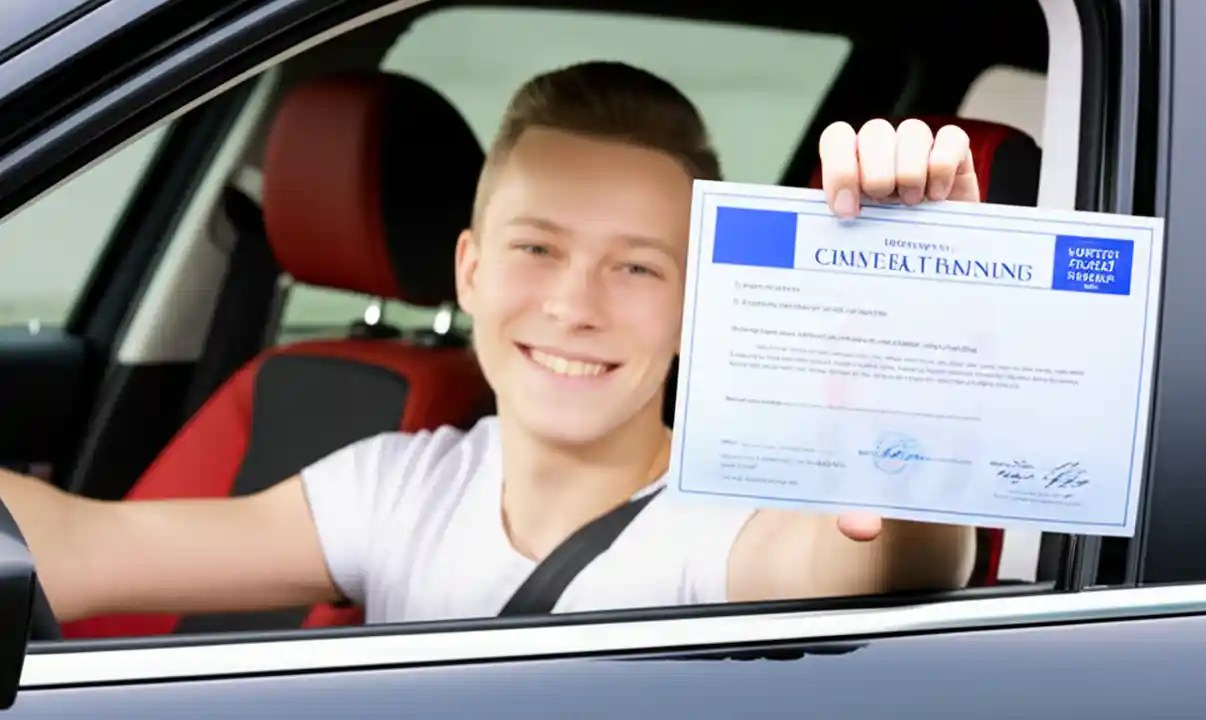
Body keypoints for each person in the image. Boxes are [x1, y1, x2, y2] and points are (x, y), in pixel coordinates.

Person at [0, 61, 979, 626]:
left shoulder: (723, 527)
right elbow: (82, 546)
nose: (573, 305)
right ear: (469, 271)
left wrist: (907, 383)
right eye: (535, 248)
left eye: (637, 266)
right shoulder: (397, 487)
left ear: (698, 305)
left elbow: (888, 563)